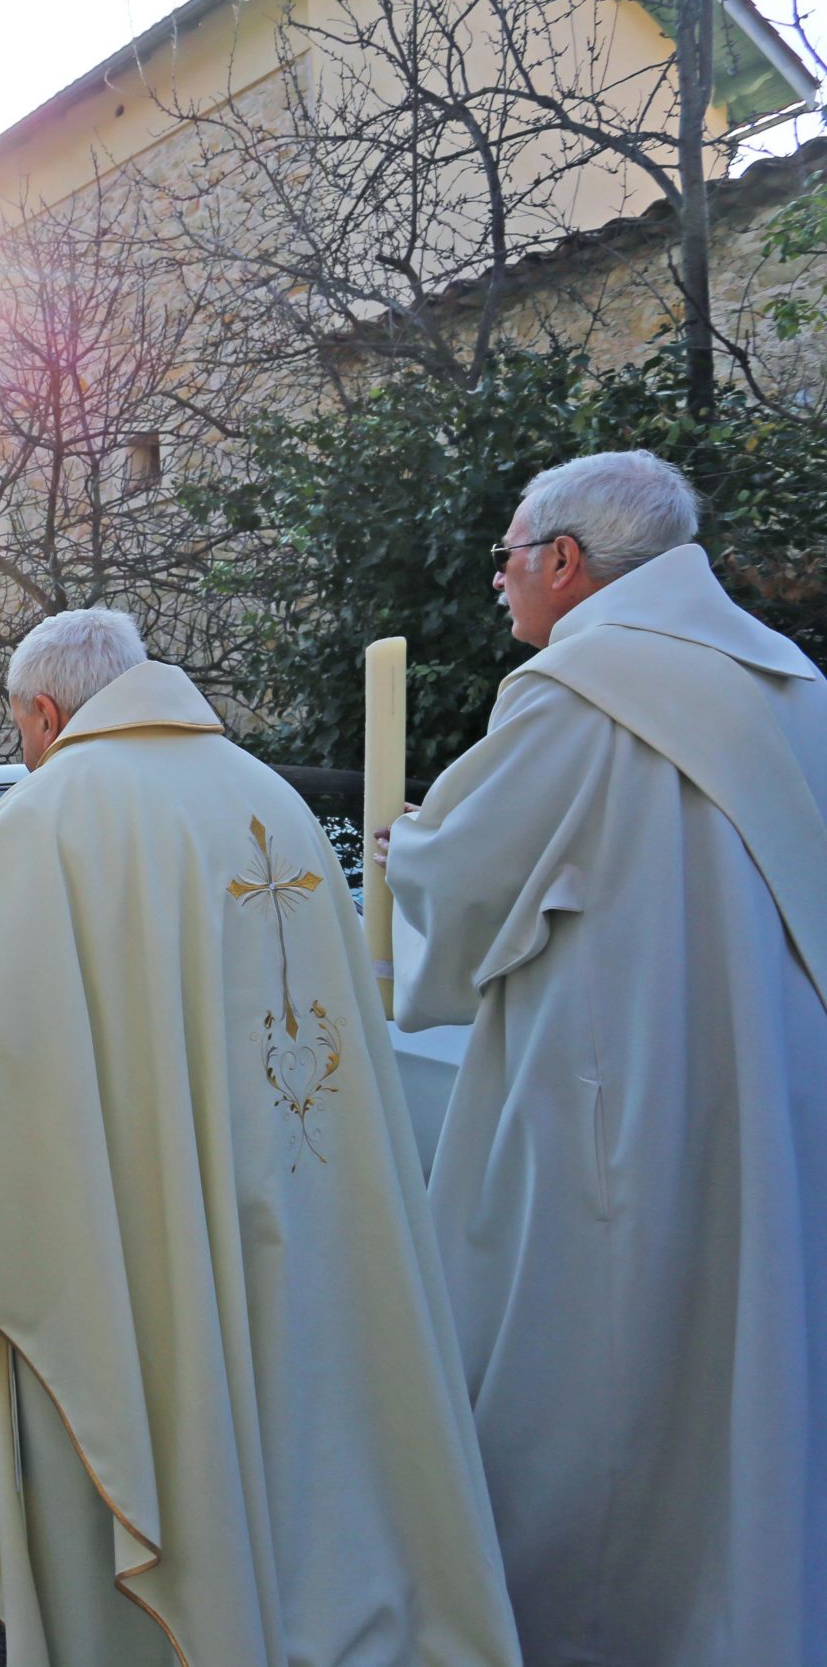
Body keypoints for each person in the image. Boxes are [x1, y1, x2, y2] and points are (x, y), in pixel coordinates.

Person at [0, 609, 520, 1667]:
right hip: (302, 1192)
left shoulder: (53, 812)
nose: (23, 747)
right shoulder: (265, 794)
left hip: (151, 1233)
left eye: (19, 728)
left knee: (182, 1403)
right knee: (303, 1412)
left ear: (44, 713)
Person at [386, 451, 827, 1665]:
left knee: (596, 1380)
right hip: (777, 1086)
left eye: (507, 558)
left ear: (564, 563)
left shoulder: (577, 688)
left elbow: (464, 880)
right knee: (746, 1351)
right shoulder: (792, 682)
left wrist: (403, 847)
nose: (498, 585)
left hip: (613, 1098)